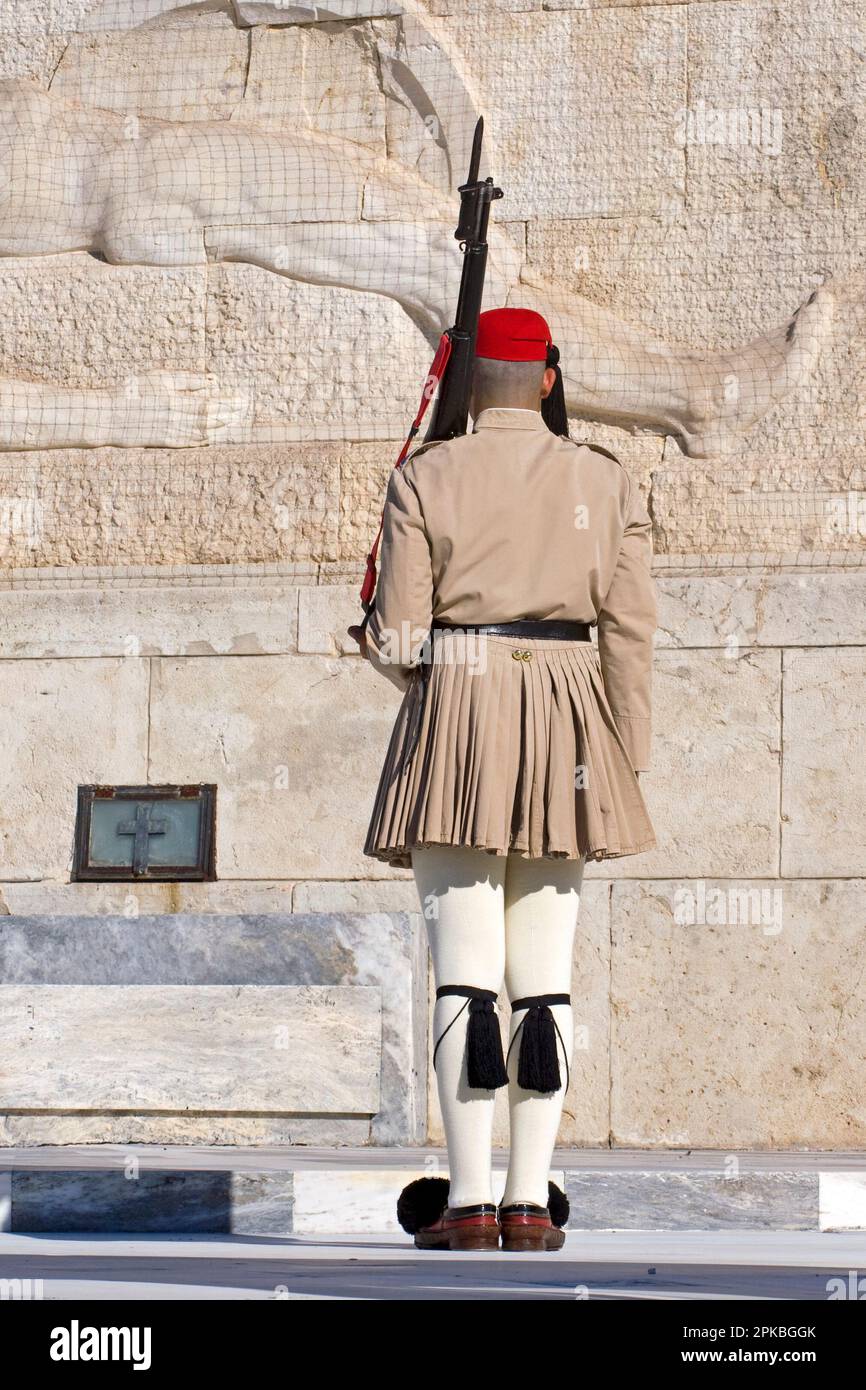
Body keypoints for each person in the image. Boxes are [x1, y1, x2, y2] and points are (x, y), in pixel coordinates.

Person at [358, 306, 657, 1252]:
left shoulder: (426, 476)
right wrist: (624, 757)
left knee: (465, 979)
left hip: (460, 708)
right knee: (544, 981)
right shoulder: (601, 480)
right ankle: (531, 1204)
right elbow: (632, 634)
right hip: (573, 714)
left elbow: (402, 640)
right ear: (547, 381)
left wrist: (387, 651)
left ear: (465, 384)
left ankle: (469, 1203)